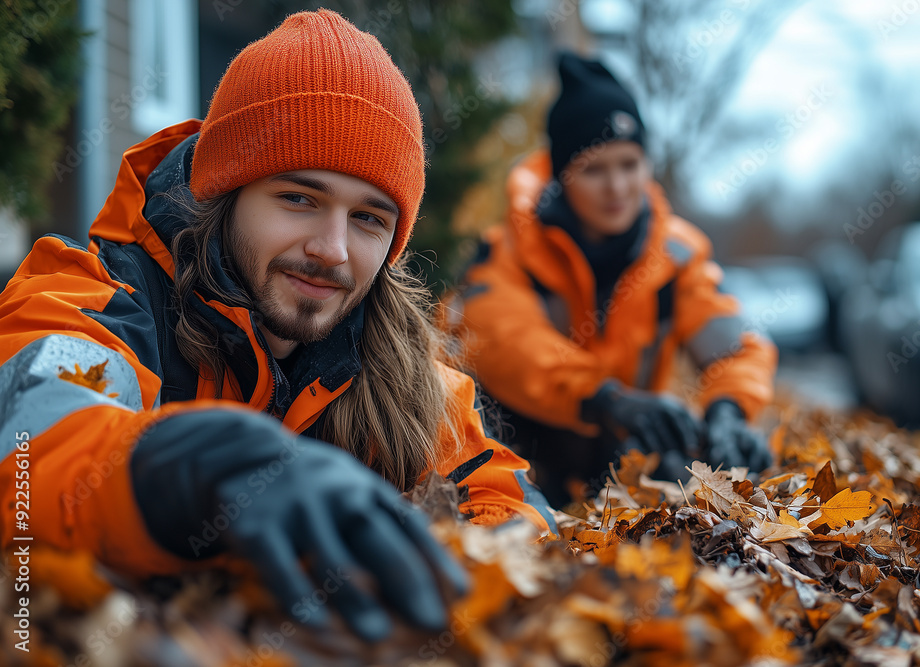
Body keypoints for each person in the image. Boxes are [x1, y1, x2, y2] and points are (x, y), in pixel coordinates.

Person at [0, 9, 553, 642]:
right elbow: (28, 436)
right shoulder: (99, 299)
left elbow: (506, 504)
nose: (333, 250)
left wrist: (441, 575)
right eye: (299, 199)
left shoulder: (406, 373)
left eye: (370, 219)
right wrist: (184, 472)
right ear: (225, 193)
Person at [445, 54, 778, 506]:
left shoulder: (678, 253)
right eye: (595, 169)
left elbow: (735, 348)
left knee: (694, 462)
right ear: (562, 176)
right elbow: (503, 343)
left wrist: (729, 412)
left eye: (629, 164)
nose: (617, 187)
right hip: (524, 441)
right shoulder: (508, 249)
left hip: (621, 444)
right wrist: (607, 399)